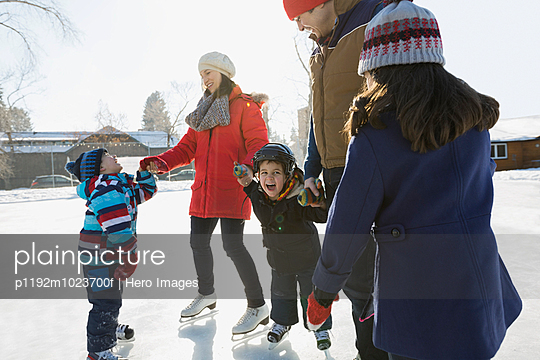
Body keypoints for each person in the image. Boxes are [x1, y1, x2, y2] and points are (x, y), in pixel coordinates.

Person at [306, 1, 523, 359]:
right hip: (480, 285)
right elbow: (483, 176)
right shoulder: (473, 119)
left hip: (417, 299)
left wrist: (323, 291)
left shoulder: (376, 132)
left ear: (378, 65)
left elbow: (348, 223)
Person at [282, 0, 388, 359]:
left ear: (323, 3)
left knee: (385, 269)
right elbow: (318, 117)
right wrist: (312, 168)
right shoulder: (320, 50)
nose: (298, 26)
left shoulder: (374, 18)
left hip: (373, 164)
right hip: (335, 171)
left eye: (301, 16)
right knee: (357, 273)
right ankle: (369, 351)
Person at [140, 51, 270, 335]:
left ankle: (258, 306)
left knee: (232, 246)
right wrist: (161, 162)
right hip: (203, 190)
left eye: (207, 73)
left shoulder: (244, 106)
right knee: (198, 242)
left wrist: (248, 167)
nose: (204, 79)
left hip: (232, 186)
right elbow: (187, 148)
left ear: (222, 73)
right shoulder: (202, 111)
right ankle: (207, 294)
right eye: (201, 75)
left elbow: (259, 143)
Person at [237, 143, 332, 351]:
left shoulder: (299, 198)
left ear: (288, 174)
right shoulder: (260, 195)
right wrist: (245, 179)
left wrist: (320, 203)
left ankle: (320, 327)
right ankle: (282, 321)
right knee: (281, 293)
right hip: (279, 260)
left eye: (276, 172)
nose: (269, 178)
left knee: (311, 294)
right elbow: (249, 186)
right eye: (264, 172)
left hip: (307, 258)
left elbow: (321, 215)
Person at [65, 148, 157, 360]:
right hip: (98, 255)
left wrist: (144, 174)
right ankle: (99, 350)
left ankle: (108, 327)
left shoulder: (120, 183)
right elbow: (117, 230)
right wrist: (130, 257)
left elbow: (145, 193)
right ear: (101, 168)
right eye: (107, 154)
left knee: (112, 294)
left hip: (109, 252)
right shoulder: (106, 189)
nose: (113, 155)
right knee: (105, 300)